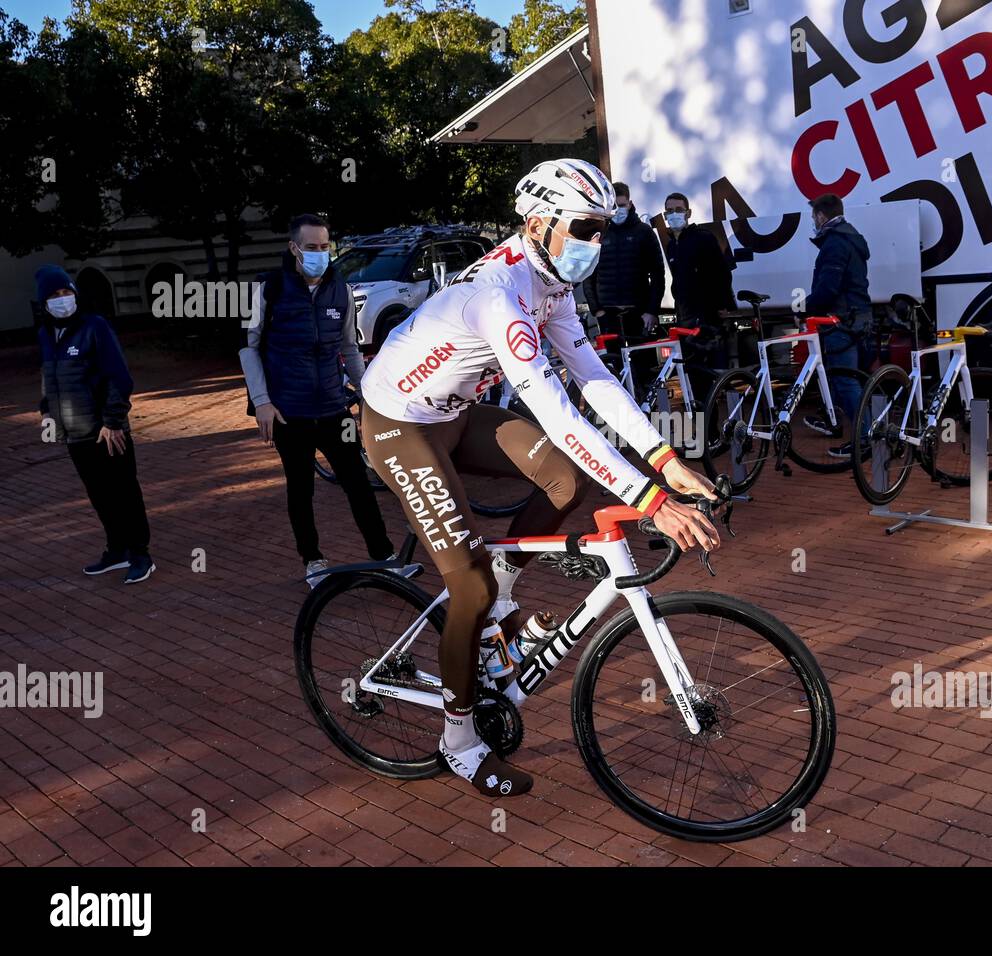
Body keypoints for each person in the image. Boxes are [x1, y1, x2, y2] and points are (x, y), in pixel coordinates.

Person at [360, 159, 720, 798]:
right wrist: (648, 499)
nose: (598, 243)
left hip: (454, 413)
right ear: (538, 223)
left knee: (562, 478)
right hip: (400, 425)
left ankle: (499, 594)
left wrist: (663, 460)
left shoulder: (551, 284)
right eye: (586, 227)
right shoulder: (499, 295)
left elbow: (596, 381)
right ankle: (460, 740)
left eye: (605, 229)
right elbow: (555, 411)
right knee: (465, 584)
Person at [240, 213, 402, 587]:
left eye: (324, 247)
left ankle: (384, 555)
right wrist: (262, 401)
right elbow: (248, 348)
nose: (319, 254)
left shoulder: (340, 290)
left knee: (357, 482)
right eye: (311, 247)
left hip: (334, 408)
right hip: (288, 413)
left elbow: (349, 347)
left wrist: (366, 395)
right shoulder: (268, 290)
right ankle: (312, 559)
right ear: (293, 248)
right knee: (301, 488)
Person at [35, 265, 155, 583]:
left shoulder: (94, 326)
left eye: (66, 293)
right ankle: (117, 550)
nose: (63, 300)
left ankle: (141, 554)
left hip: (107, 429)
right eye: (55, 295)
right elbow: (50, 378)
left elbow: (119, 376)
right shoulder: (46, 334)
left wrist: (113, 421)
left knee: (125, 492)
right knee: (99, 494)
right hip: (74, 431)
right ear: (44, 302)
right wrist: (47, 411)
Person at [803, 193, 874, 457]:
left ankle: (865, 438)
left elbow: (828, 288)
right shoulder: (852, 238)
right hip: (856, 316)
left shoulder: (834, 243)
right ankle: (837, 421)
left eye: (814, 218)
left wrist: (805, 307)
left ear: (821, 216)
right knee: (843, 377)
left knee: (845, 381)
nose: (814, 222)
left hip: (840, 320)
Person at [581, 182, 665, 380]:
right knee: (614, 370)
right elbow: (588, 275)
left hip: (639, 314)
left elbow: (658, 274)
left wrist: (652, 311)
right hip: (608, 315)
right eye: (615, 206)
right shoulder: (599, 233)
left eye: (623, 205)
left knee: (645, 370)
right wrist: (598, 310)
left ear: (630, 203)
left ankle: (648, 410)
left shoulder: (644, 232)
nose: (619, 210)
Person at [663, 192, 736, 376]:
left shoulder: (704, 239)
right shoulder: (672, 245)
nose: (674, 214)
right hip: (684, 318)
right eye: (670, 211)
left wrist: (725, 305)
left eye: (679, 209)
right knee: (692, 371)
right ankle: (698, 405)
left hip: (707, 318)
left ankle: (716, 405)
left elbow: (721, 274)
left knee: (714, 372)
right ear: (665, 215)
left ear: (688, 213)